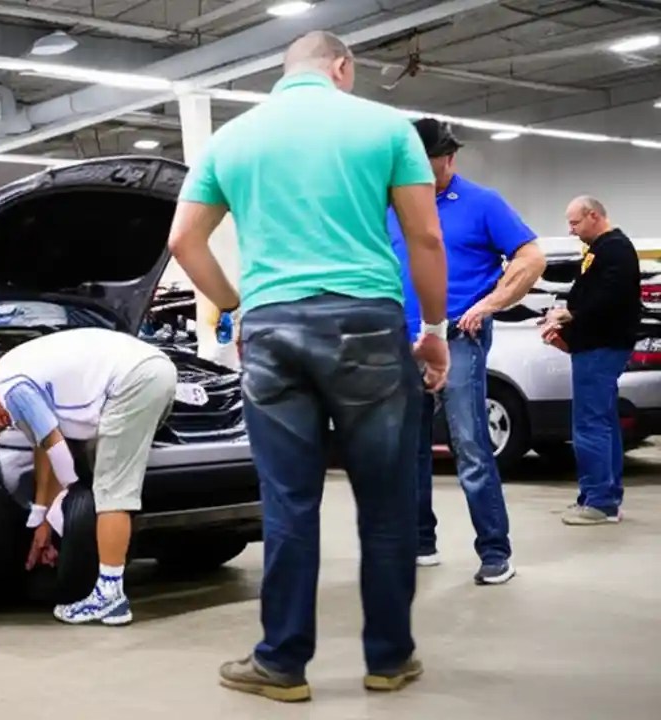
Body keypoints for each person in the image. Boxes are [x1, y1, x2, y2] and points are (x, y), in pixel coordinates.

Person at [166, 31, 449, 702]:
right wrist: (433, 330)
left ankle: (282, 664)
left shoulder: (231, 139)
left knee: (290, 504)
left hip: (271, 330)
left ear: (285, 73)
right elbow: (425, 236)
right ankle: (389, 658)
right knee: (385, 504)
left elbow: (183, 240)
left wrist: (238, 307)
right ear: (342, 68)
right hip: (367, 328)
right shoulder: (387, 129)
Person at [389, 119, 546, 584]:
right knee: (408, 448)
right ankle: (420, 541)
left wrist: (488, 304)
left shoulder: (482, 203)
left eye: (426, 162)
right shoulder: (391, 207)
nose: (415, 171)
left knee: (471, 445)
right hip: (404, 339)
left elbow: (531, 257)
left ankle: (495, 551)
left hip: (459, 336)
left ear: (448, 158)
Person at [0, 328, 177, 626]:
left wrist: (70, 492)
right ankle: (111, 569)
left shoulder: (10, 387)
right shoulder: (16, 379)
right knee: (110, 481)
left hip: (132, 381)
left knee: (111, 491)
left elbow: (57, 448)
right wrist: (42, 519)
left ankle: (110, 598)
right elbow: (44, 450)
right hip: (148, 370)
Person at [542, 196, 641, 525]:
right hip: (597, 346)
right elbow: (592, 293)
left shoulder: (614, 250)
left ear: (593, 216)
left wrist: (571, 314)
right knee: (604, 422)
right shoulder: (606, 249)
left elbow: (607, 299)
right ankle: (606, 496)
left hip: (600, 349)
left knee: (589, 424)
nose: (571, 230)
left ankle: (599, 501)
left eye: (574, 223)